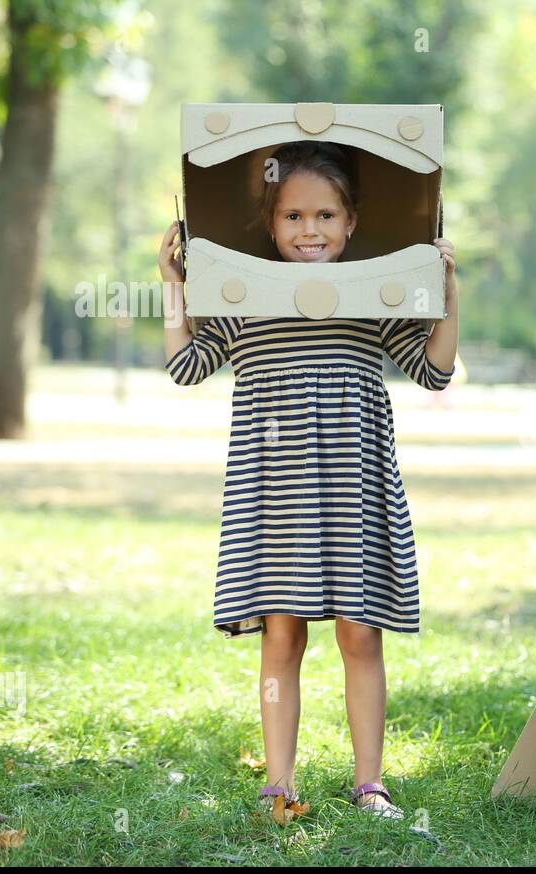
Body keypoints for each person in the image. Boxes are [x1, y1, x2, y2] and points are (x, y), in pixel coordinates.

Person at [156, 139, 458, 824]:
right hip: (276, 496)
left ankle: (369, 782)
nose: (310, 230)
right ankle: (279, 783)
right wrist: (174, 283)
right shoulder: (246, 299)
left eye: (325, 215)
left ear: (351, 223)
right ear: (271, 225)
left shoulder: (369, 295)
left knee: (360, 632)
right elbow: (186, 367)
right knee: (282, 634)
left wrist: (446, 291)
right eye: (293, 217)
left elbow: (434, 370)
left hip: (353, 489)